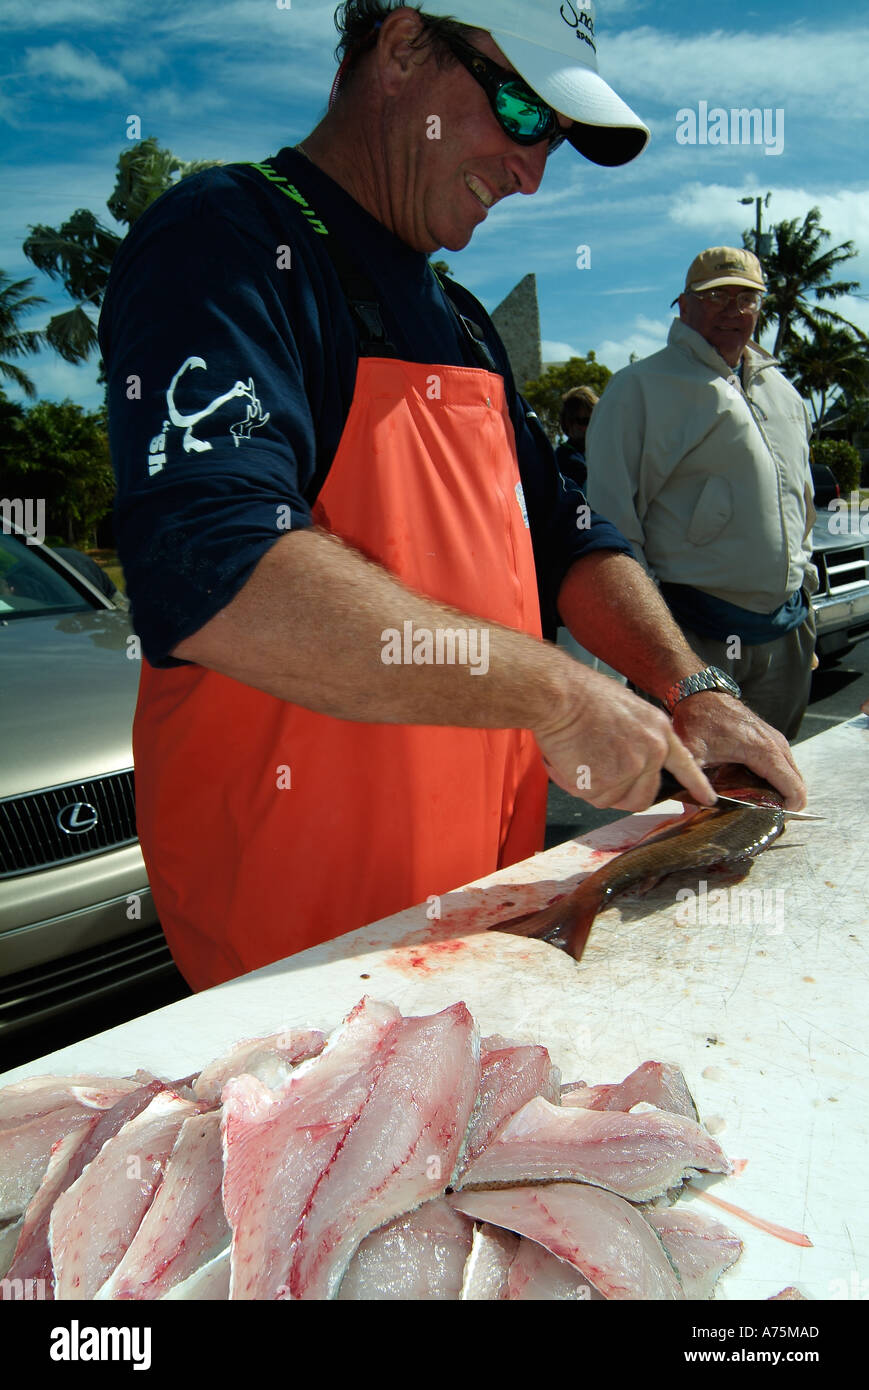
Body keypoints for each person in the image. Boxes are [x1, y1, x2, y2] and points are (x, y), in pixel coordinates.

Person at [99, 3, 805, 993]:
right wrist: (557, 691)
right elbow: (215, 565)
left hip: (489, 917)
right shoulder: (226, 241)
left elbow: (564, 533)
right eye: (520, 112)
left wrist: (685, 686)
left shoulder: (461, 321)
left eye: (553, 138)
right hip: (295, 962)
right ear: (398, 48)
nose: (532, 171)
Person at [586, 246, 818, 741]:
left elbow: (804, 505)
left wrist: (806, 597)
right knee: (693, 798)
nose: (733, 310)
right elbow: (611, 523)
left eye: (746, 298)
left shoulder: (784, 393)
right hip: (693, 638)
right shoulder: (638, 388)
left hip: (787, 634)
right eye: (716, 297)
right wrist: (653, 646)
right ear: (684, 306)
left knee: (776, 784)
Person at [555, 384, 598, 491]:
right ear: (568, 423)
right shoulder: (567, 459)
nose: (591, 426)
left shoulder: (592, 453)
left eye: (595, 419)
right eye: (584, 421)